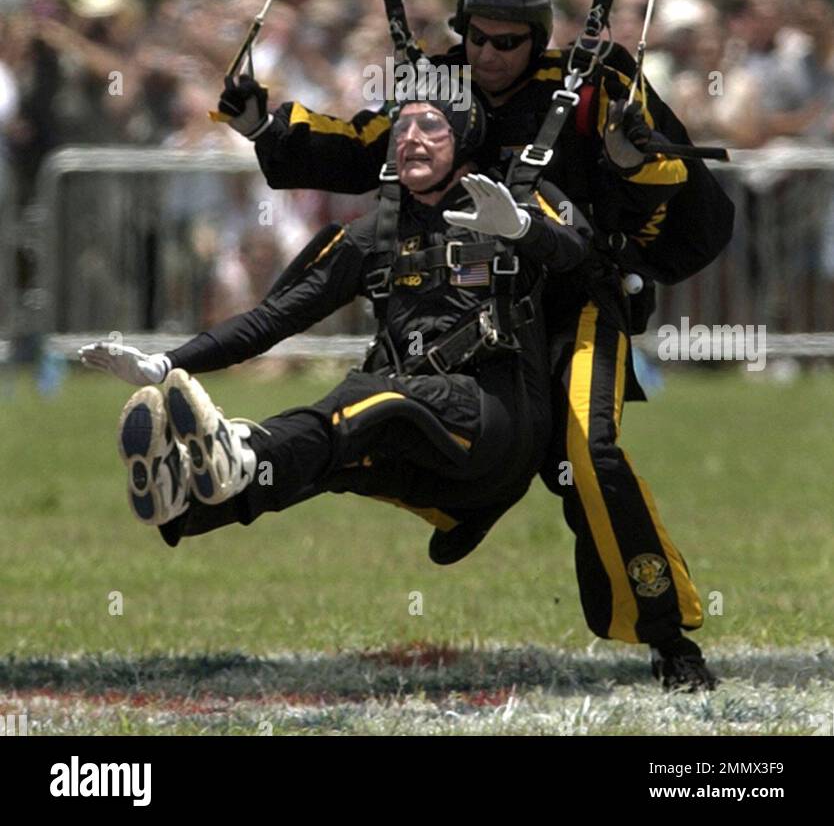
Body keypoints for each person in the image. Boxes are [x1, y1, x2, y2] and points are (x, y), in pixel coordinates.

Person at [217, 0, 728, 691]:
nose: (487, 55)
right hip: (473, 316)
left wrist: (626, 162)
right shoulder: (439, 85)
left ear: (536, 40)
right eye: (476, 38)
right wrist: (263, 124)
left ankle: (667, 636)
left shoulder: (593, 85)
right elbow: (364, 143)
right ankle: (465, 498)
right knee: (408, 423)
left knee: (586, 453)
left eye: (507, 42)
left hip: (576, 299)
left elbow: (674, 197)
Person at [80, 98, 589, 565]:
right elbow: (270, 319)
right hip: (430, 457)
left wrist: (523, 229)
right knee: (328, 453)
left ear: (466, 139)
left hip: (497, 427)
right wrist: (168, 362)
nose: (409, 137)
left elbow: (578, 255)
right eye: (401, 127)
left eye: (430, 126)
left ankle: (239, 446)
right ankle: (184, 500)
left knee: (372, 397)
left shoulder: (515, 200)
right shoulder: (374, 235)